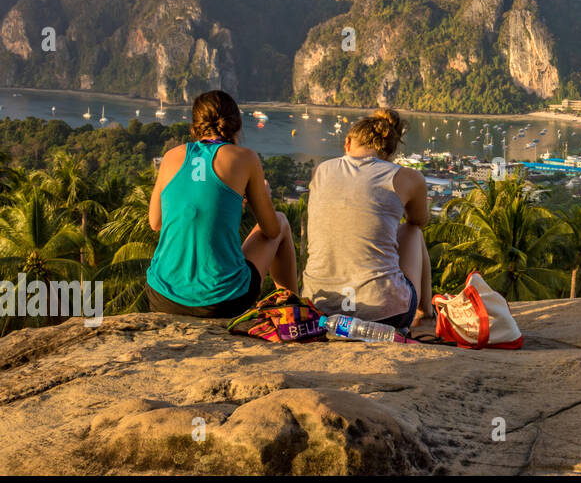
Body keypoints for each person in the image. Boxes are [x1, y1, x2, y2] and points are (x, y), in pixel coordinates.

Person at [145, 90, 298, 317]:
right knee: (282, 222)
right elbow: (271, 230)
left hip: (163, 297)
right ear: (236, 126)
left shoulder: (171, 157)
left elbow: (155, 222)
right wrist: (263, 194)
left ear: (194, 127)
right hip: (223, 300)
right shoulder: (245, 158)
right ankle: (294, 312)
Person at [302, 108, 434, 333]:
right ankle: (426, 315)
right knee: (412, 232)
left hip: (320, 309)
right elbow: (419, 220)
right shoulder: (407, 177)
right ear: (390, 154)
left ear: (347, 143)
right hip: (384, 315)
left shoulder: (320, 171)